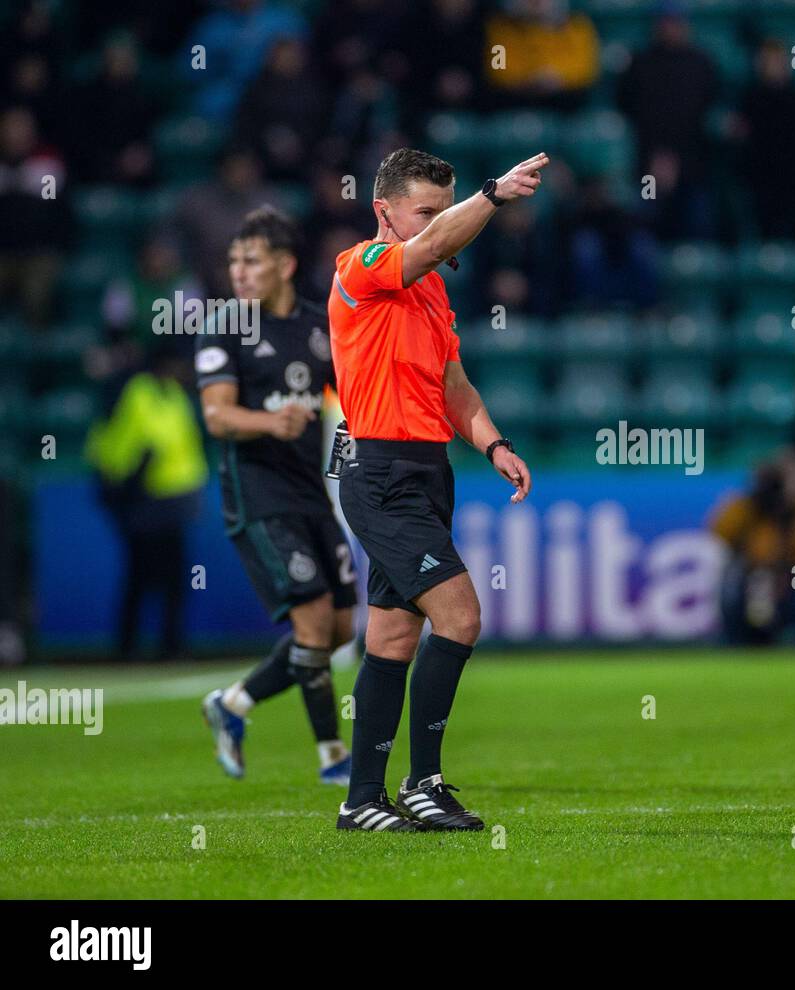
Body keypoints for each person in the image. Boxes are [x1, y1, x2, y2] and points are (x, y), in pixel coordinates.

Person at [328, 147, 543, 831]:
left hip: (427, 470)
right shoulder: (359, 269)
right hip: (380, 472)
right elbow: (430, 249)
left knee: (392, 639)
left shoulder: (432, 289)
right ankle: (424, 782)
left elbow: (454, 387)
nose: (437, 225)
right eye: (425, 212)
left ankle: (362, 801)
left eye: (442, 211)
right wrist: (493, 196)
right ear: (382, 211)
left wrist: (495, 443)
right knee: (461, 617)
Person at [195, 207, 357, 786]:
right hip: (258, 496)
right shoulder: (223, 326)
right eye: (234, 261)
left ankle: (234, 702)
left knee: (339, 628)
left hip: (312, 494)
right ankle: (333, 755)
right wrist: (271, 423)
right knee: (313, 624)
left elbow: (351, 398)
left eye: (251, 261)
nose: (238, 271)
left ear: (285, 265)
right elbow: (216, 416)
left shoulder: (319, 327)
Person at [86, 350, 208, 660]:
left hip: (171, 499)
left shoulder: (172, 394)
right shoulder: (139, 391)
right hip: (141, 498)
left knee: (172, 577)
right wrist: (122, 485)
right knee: (141, 575)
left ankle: (169, 645)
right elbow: (133, 441)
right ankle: (129, 647)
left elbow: (182, 446)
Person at [711, 453, 795, 647]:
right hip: (751, 573)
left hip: (792, 573)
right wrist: (750, 500)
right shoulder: (747, 508)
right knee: (731, 581)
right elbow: (720, 531)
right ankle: (734, 644)